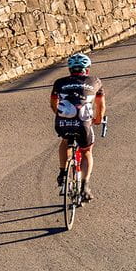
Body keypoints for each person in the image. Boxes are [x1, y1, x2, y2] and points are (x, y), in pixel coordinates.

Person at [49, 53, 106, 203]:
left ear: (70, 69)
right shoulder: (95, 81)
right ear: (86, 70)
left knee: (65, 140)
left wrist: (59, 114)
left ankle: (62, 173)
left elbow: (53, 102)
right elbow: (100, 105)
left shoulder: (59, 82)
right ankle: (85, 186)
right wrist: (98, 119)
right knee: (86, 150)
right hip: (83, 124)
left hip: (62, 122)